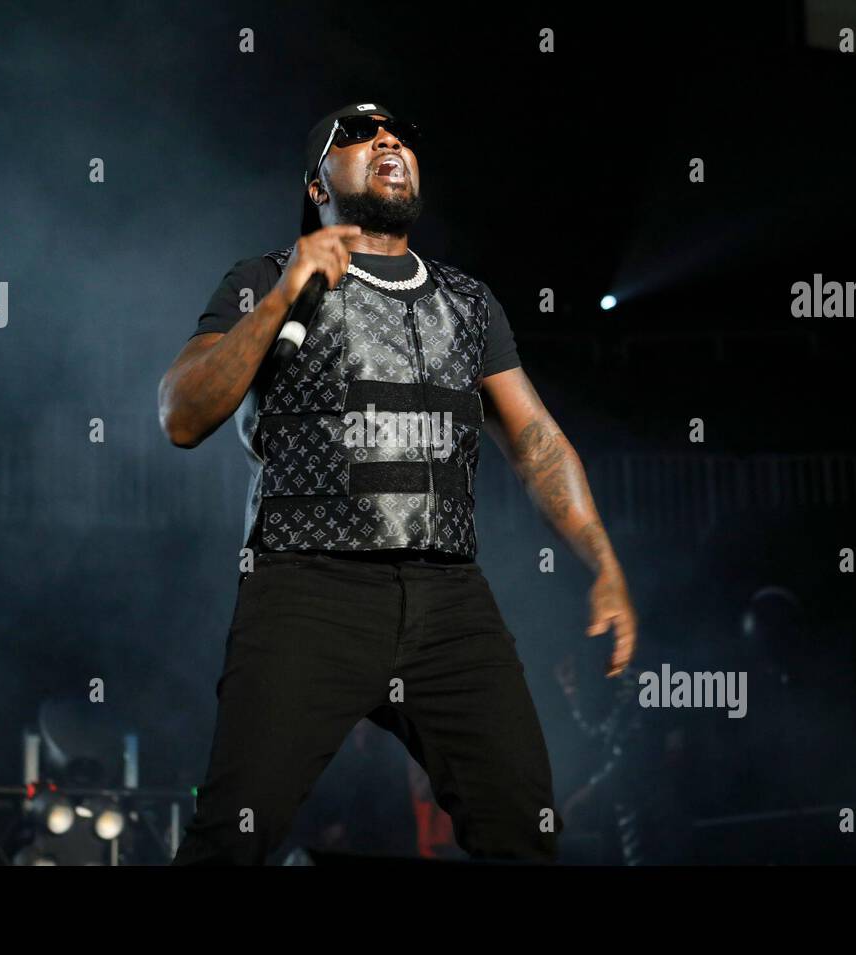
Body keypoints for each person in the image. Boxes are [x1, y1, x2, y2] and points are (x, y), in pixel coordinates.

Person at [158, 102, 637, 864]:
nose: (386, 140)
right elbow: (182, 414)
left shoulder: (470, 301)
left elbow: (538, 441)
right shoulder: (261, 278)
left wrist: (603, 563)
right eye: (353, 134)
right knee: (232, 838)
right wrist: (285, 292)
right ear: (317, 188)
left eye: (398, 132)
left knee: (523, 827)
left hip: (451, 604)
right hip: (308, 591)